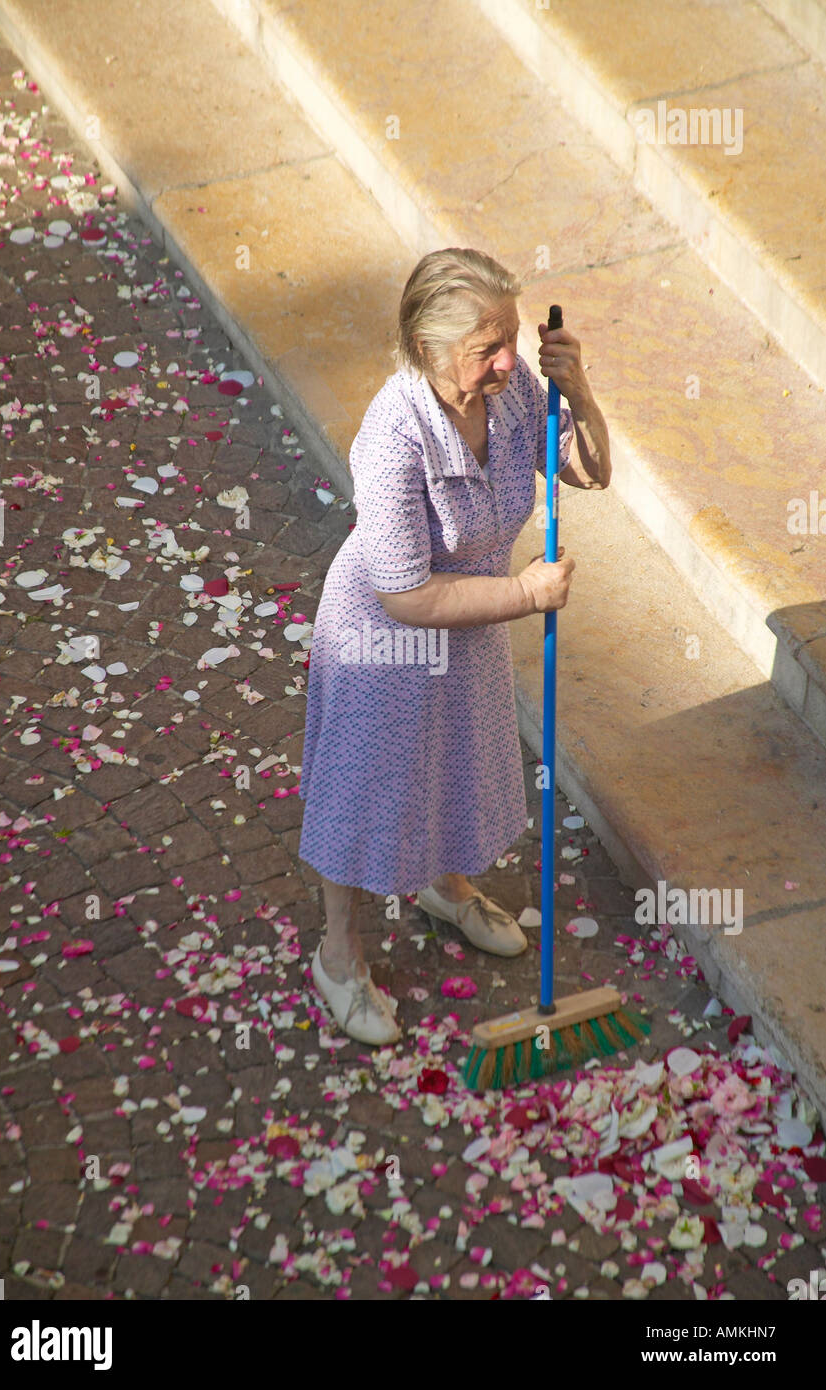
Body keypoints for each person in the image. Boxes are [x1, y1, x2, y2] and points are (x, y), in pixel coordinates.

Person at [297, 247, 611, 1044]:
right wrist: (523, 595)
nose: (508, 358)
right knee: (364, 791)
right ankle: (337, 957)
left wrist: (576, 391)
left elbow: (585, 469)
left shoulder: (508, 393)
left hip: (467, 621)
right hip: (386, 639)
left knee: (458, 761)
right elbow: (403, 593)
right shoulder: (391, 438)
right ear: (428, 351)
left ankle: (446, 886)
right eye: (485, 346)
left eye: (508, 334)